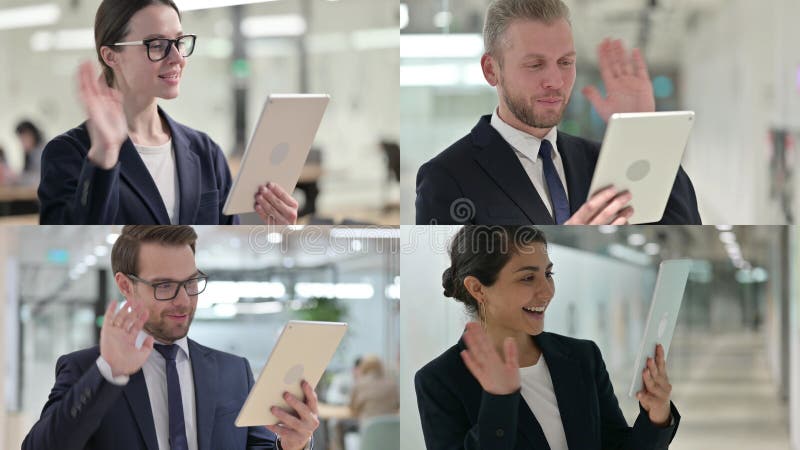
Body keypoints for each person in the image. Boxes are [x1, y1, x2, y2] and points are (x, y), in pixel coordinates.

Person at [22, 225, 318, 450]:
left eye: (190, 283)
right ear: (126, 285)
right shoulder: (87, 369)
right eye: (164, 286)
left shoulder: (234, 371)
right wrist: (109, 371)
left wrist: (290, 446)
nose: (183, 301)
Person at [415, 0, 701, 225]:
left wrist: (642, 131)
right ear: (492, 70)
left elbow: (680, 232)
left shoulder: (601, 161)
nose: (556, 81)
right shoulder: (446, 176)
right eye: (536, 64)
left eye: (565, 62)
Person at [415, 226, 680, 449]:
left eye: (548, 274)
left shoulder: (582, 356)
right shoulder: (440, 380)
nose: (547, 291)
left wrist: (657, 416)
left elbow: (616, 444)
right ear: (477, 288)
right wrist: (499, 399)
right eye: (528, 278)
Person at [37, 0, 299, 225]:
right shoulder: (70, 153)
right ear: (111, 56)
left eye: (179, 42)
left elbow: (226, 244)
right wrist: (104, 157)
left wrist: (272, 232)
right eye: (157, 44)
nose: (177, 58)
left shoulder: (205, 151)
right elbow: (66, 248)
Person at [349, 355, 399, 420]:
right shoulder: (392, 384)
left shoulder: (359, 384)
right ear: (381, 367)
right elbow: (397, 406)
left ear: (364, 367)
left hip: (368, 428)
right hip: (390, 428)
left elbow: (352, 408)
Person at [15, 120, 45, 185]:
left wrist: (19, 178)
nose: (22, 143)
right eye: (21, 139)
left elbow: (41, 178)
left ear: (33, 135)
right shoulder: (30, 153)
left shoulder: (42, 151)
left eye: (25, 138)